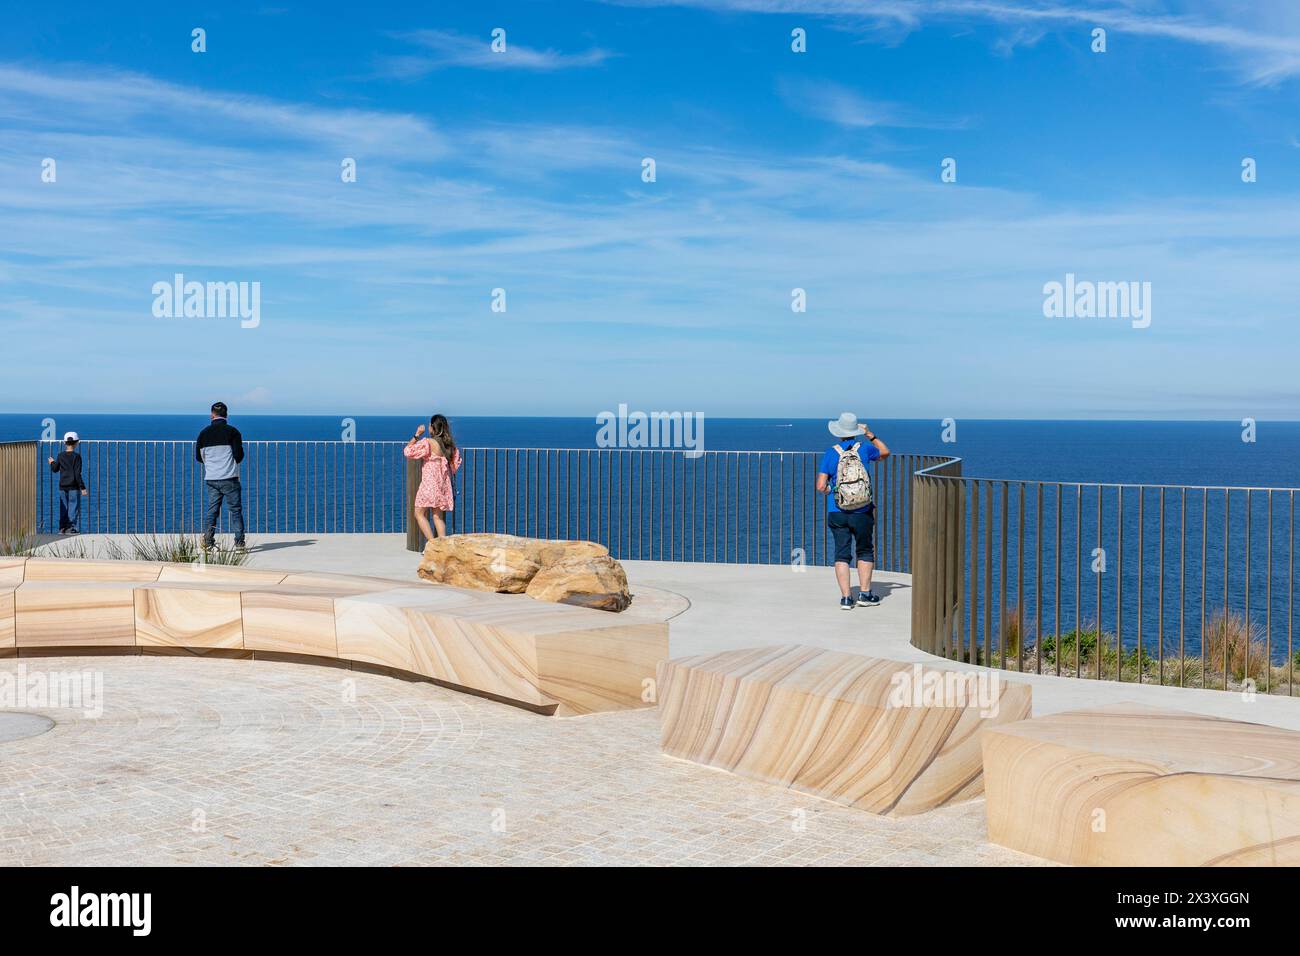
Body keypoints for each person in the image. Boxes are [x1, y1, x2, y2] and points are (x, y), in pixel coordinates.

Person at [816, 412, 890, 610]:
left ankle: (846, 598)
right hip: (862, 510)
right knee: (865, 550)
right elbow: (885, 453)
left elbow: (821, 485)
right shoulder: (865, 449)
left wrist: (832, 490)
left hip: (837, 511)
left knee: (842, 554)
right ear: (856, 431)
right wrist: (870, 435)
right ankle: (865, 594)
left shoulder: (831, 453)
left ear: (838, 432)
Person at [404, 414, 462, 542]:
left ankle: (432, 544)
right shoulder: (449, 446)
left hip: (429, 484)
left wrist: (417, 435)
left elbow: (408, 451)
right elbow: (454, 466)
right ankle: (443, 546)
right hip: (443, 484)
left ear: (432, 427)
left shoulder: (428, 443)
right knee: (438, 516)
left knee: (419, 513)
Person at [196, 401, 246, 551]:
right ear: (226, 415)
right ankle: (239, 544)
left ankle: (207, 542)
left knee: (212, 511)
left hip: (211, 478)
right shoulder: (233, 432)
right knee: (235, 511)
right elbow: (238, 456)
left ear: (212, 415)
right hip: (229, 477)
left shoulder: (203, 433)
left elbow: (199, 458)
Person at [47, 431, 87, 535]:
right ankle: (71, 527)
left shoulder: (60, 455)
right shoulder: (77, 456)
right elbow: (77, 474)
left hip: (62, 485)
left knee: (63, 507)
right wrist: (82, 487)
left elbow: (55, 469)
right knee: (73, 507)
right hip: (73, 486)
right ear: (76, 443)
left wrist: (52, 463)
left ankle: (62, 528)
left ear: (65, 443)